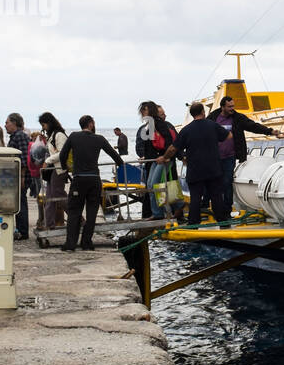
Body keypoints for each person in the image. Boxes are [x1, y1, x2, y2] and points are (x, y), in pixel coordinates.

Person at [57, 115, 124, 252]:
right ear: (91, 124)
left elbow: (63, 155)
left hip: (79, 179)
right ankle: (86, 242)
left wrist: (65, 167)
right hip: (94, 179)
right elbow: (114, 155)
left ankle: (70, 244)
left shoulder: (74, 137)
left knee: (74, 211)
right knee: (92, 212)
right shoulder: (99, 139)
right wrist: (120, 164)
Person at [159, 103, 232, 223]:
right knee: (216, 196)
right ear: (203, 112)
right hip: (213, 168)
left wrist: (165, 157)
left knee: (196, 198)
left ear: (192, 114)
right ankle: (222, 222)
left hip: (195, 169)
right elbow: (229, 135)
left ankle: (193, 223)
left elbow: (173, 148)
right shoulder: (213, 126)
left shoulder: (186, 130)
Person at [212, 96, 282, 201]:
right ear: (222, 107)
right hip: (214, 157)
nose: (232, 108)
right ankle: (216, 207)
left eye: (233, 106)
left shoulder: (238, 118)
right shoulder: (213, 118)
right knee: (214, 183)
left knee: (227, 182)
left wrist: (270, 131)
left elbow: (253, 126)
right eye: (229, 106)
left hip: (229, 157)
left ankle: (226, 209)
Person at [138, 101, 180, 221]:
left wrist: (166, 156)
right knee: (153, 185)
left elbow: (168, 140)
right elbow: (149, 144)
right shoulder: (149, 125)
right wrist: (145, 156)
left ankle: (161, 212)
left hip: (164, 159)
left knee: (158, 185)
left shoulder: (159, 123)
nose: (142, 112)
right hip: (156, 159)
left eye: (144, 110)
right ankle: (158, 213)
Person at [38, 112, 70, 232]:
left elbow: (62, 153)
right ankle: (49, 223)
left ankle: (76, 216)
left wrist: (48, 160)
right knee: (51, 197)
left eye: (44, 125)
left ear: (49, 123)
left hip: (59, 170)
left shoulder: (59, 135)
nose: (43, 128)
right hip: (54, 170)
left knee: (58, 195)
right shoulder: (53, 135)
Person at [4, 113, 31, 240]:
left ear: (14, 123)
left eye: (7, 122)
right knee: (18, 202)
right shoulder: (15, 136)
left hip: (20, 176)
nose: (5, 125)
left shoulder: (20, 136)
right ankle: (20, 230)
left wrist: (22, 177)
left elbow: (24, 158)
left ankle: (22, 231)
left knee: (20, 203)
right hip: (15, 175)